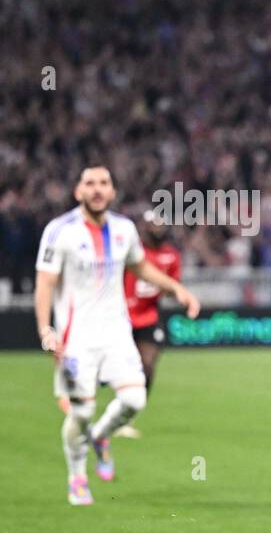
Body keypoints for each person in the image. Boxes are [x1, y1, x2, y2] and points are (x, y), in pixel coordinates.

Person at [34, 167, 201, 505]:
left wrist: (177, 289)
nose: (97, 189)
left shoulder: (124, 229)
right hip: (76, 337)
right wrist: (45, 330)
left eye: (104, 184)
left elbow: (141, 266)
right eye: (90, 183)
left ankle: (99, 436)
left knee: (135, 400)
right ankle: (77, 477)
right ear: (78, 191)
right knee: (80, 412)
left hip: (116, 333)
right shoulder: (59, 231)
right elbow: (45, 283)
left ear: (112, 192)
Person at [116, 209, 183, 438]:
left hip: (148, 316)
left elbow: (172, 286)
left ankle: (127, 416)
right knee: (120, 368)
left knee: (148, 365)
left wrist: (172, 291)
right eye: (153, 224)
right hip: (122, 316)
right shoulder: (133, 253)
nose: (158, 228)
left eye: (161, 224)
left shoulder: (171, 256)